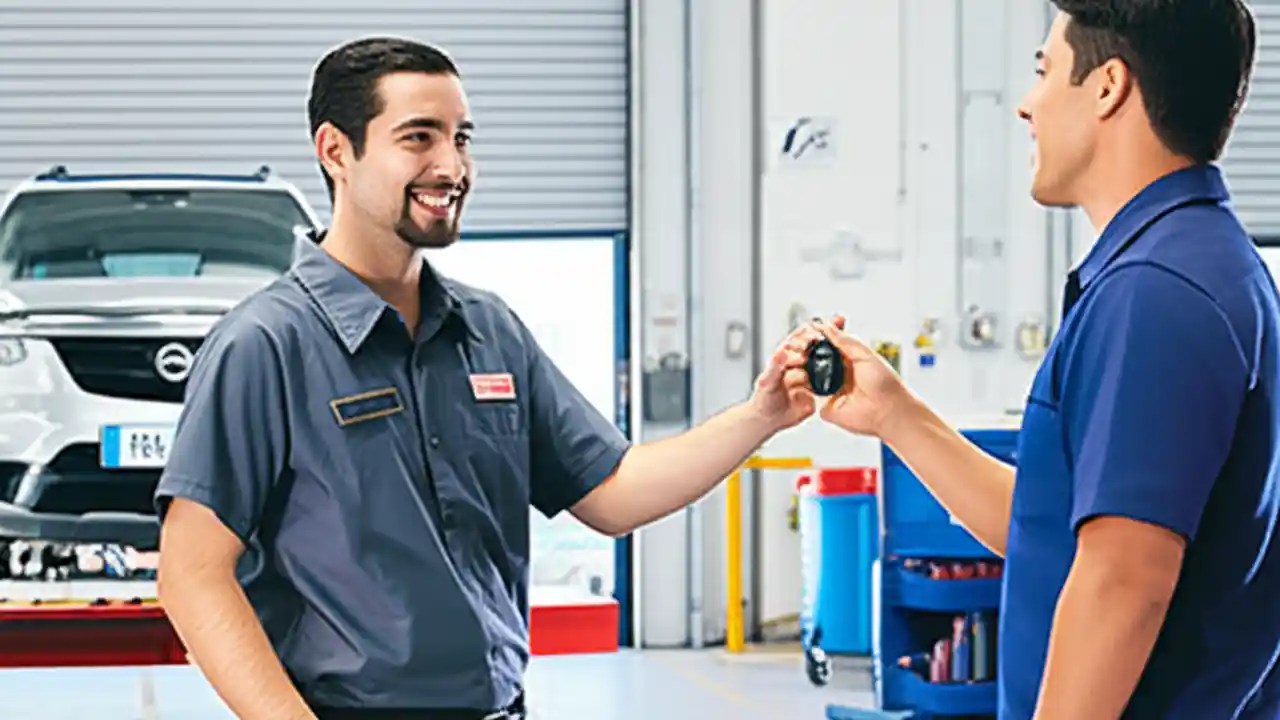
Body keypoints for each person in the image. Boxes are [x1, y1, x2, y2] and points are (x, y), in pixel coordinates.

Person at [153, 37, 834, 720]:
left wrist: (761, 415)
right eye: (418, 138)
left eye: (461, 138)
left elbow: (614, 494)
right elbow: (192, 574)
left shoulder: (489, 332)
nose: (452, 166)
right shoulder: (265, 345)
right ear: (336, 151)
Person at [815, 2, 1278, 719]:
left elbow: (1123, 583)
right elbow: (1059, 535)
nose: (1027, 106)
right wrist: (895, 416)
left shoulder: (1155, 294)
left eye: (1044, 70)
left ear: (1107, 87)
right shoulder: (1192, 267)